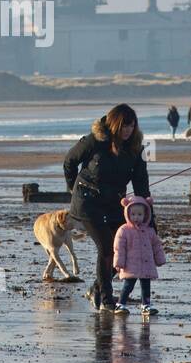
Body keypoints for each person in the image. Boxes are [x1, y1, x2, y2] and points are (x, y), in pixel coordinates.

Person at [62, 104, 151, 313]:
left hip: (115, 203)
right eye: (123, 127)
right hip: (88, 202)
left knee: (125, 247)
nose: (127, 131)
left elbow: (141, 182)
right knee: (106, 246)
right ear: (113, 125)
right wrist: (73, 189)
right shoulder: (95, 140)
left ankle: (96, 287)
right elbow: (69, 162)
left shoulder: (137, 147)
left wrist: (148, 216)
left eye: (131, 126)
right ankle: (107, 300)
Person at [113, 195, 166, 316]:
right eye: (133, 214)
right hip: (130, 265)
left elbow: (156, 246)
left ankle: (146, 305)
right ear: (128, 214)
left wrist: (160, 259)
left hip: (146, 264)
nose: (136, 217)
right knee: (128, 285)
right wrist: (119, 263)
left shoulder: (149, 230)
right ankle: (120, 304)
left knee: (146, 286)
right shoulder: (124, 230)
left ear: (146, 215)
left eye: (139, 214)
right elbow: (119, 248)